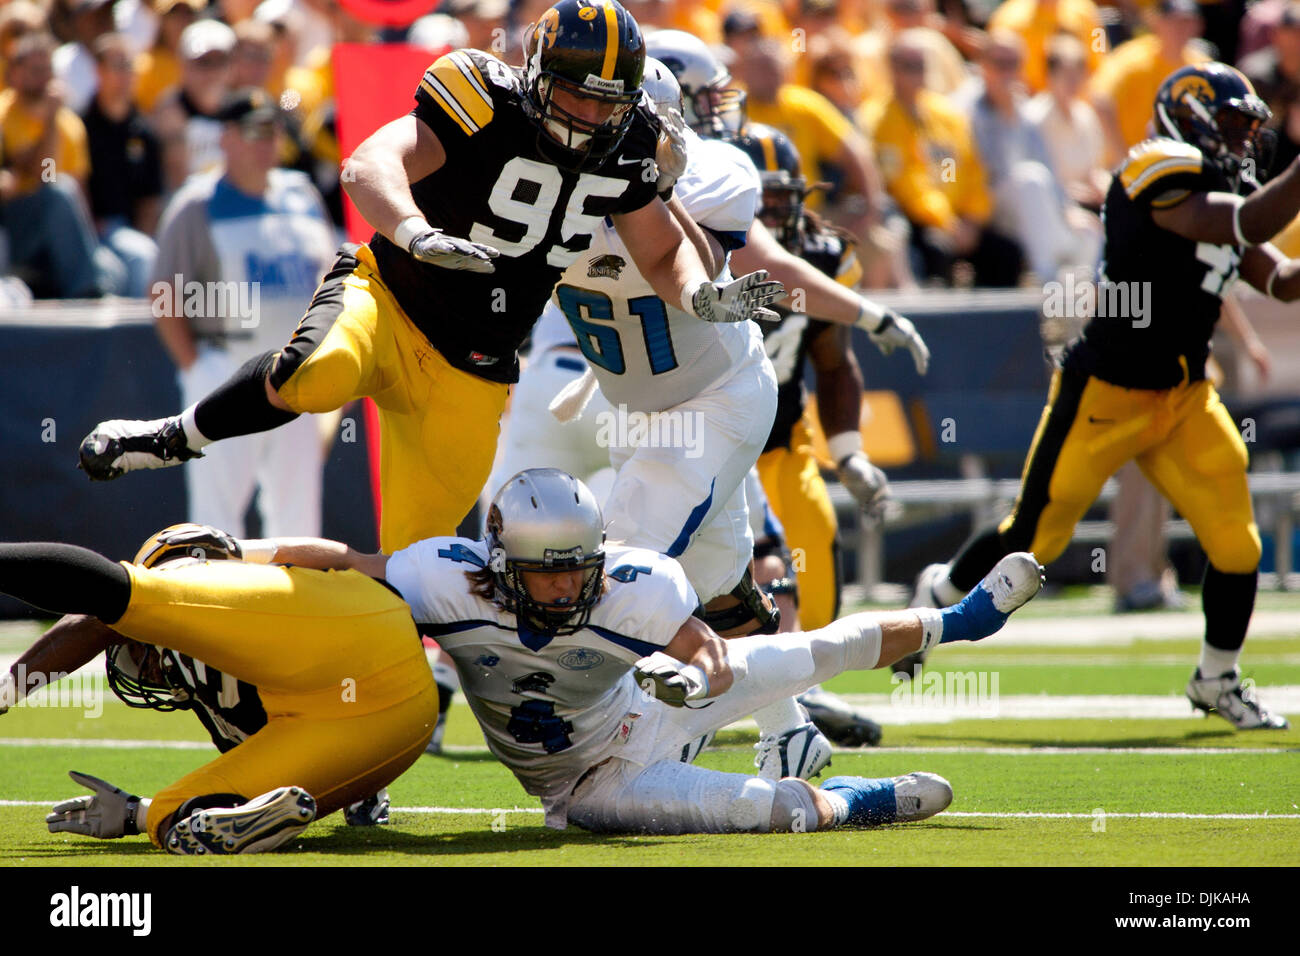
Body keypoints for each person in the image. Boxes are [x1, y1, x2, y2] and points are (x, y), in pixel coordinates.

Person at [78, 0, 784, 557]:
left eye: (608, 101)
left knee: (416, 569)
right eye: (577, 96)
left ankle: (295, 628)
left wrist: (699, 295)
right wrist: (415, 231)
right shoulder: (482, 96)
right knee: (317, 373)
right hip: (388, 298)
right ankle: (175, 435)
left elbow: (662, 254)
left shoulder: (630, 146)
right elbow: (368, 166)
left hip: (475, 369)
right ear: (537, 74)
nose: (593, 116)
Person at [189, 467, 1046, 835]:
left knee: (817, 649)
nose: (567, 588)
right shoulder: (444, 581)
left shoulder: (634, 585)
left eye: (578, 570)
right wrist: (242, 554)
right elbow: (341, 563)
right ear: (499, 564)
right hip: (591, 783)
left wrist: (687, 675)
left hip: (644, 704)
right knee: (766, 813)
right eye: (546, 574)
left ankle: (962, 620)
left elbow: (707, 645)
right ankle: (864, 801)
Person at [901, 63, 1298, 730]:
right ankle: (937, 594)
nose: (1239, 141)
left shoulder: (1231, 190)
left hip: (1184, 396)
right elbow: (1248, 221)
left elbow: (1279, 278)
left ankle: (1216, 678)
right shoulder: (1155, 166)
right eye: (1228, 124)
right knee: (1032, 536)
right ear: (1190, 120)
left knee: (1238, 545)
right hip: (1106, 392)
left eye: (1245, 128)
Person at [0, 525, 438, 854]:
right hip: (392, 729)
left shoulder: (224, 591)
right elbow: (349, 559)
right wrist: (134, 813)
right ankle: (194, 817)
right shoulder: (208, 674)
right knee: (176, 822)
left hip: (363, 667)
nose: (141, 662)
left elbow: (100, 607)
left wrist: (7, 690)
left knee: (125, 600)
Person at [728, 122, 887, 747]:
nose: (772, 210)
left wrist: (848, 454)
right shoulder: (702, 241)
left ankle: (803, 689)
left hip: (782, 439)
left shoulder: (822, 256)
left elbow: (833, 358)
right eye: (758, 197)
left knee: (812, 556)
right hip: (706, 441)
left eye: (780, 195)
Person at [151, 87, 336, 539]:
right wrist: (197, 368)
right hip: (224, 369)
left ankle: (292, 609)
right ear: (226, 137)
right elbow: (162, 295)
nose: (267, 141)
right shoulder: (197, 204)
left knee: (298, 518)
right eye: (254, 132)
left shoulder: (301, 194)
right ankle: (217, 606)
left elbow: (334, 283)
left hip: (294, 374)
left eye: (274, 131)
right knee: (216, 516)